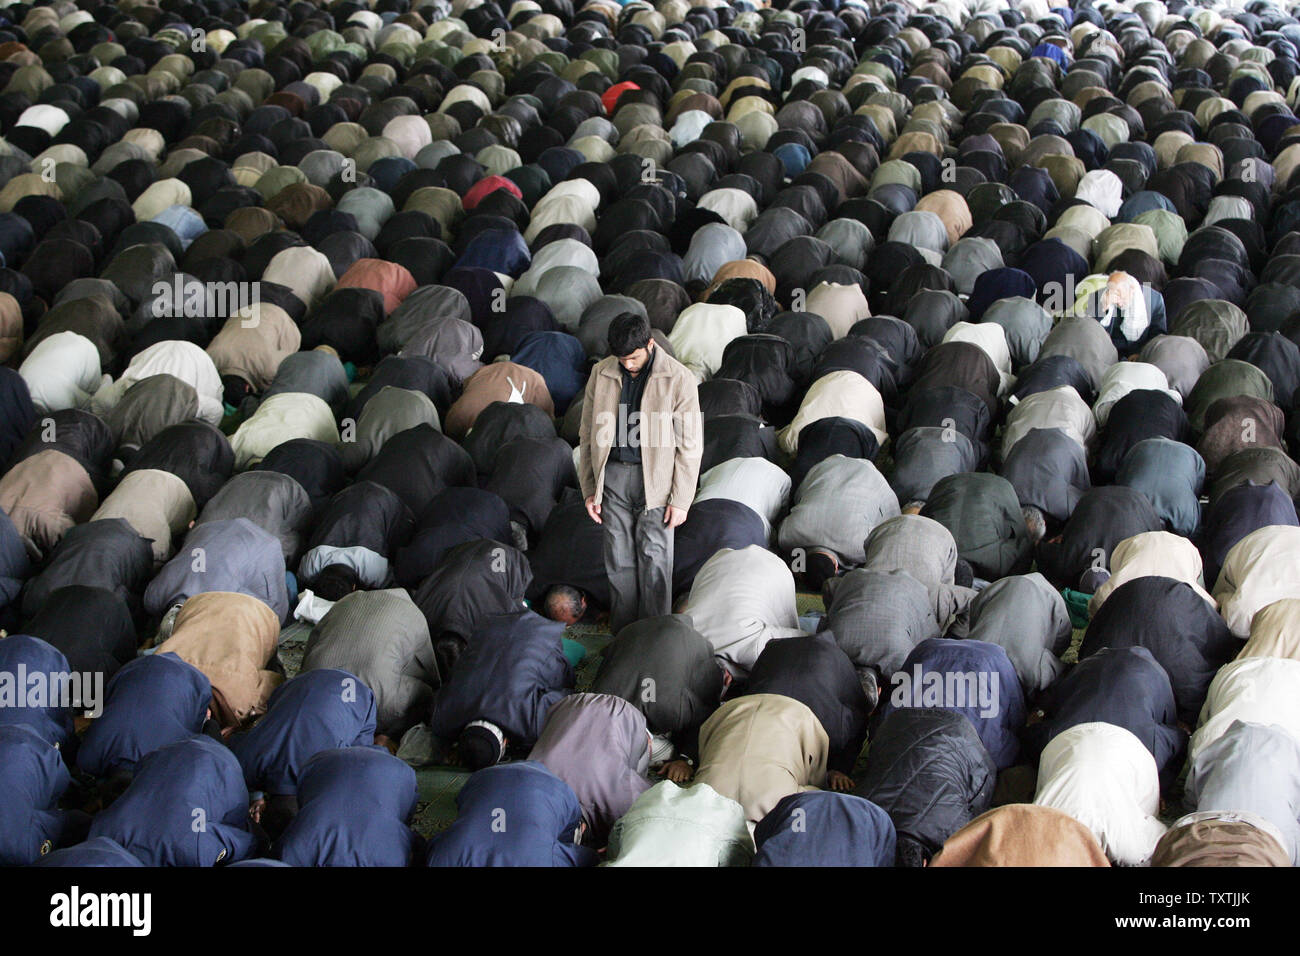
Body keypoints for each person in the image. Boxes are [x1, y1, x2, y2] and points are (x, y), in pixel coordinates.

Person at [578, 311, 703, 633]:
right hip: (613, 478)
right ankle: (624, 636)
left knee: (655, 561)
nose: (628, 364)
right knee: (618, 561)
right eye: (622, 359)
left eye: (634, 358)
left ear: (650, 344)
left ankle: (652, 638)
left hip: (657, 481)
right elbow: (587, 433)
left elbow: (690, 445)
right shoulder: (601, 372)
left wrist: (681, 500)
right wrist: (590, 488)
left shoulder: (678, 378)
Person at [429, 609, 574, 769]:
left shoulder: (528, 725)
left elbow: (565, 699)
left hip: (540, 636)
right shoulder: (443, 717)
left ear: (504, 743)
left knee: (560, 678)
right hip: (492, 628)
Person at [425, 761, 597, 867]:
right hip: (483, 779)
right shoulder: (443, 858)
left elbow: (587, 857)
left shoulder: (542, 861)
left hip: (551, 787)